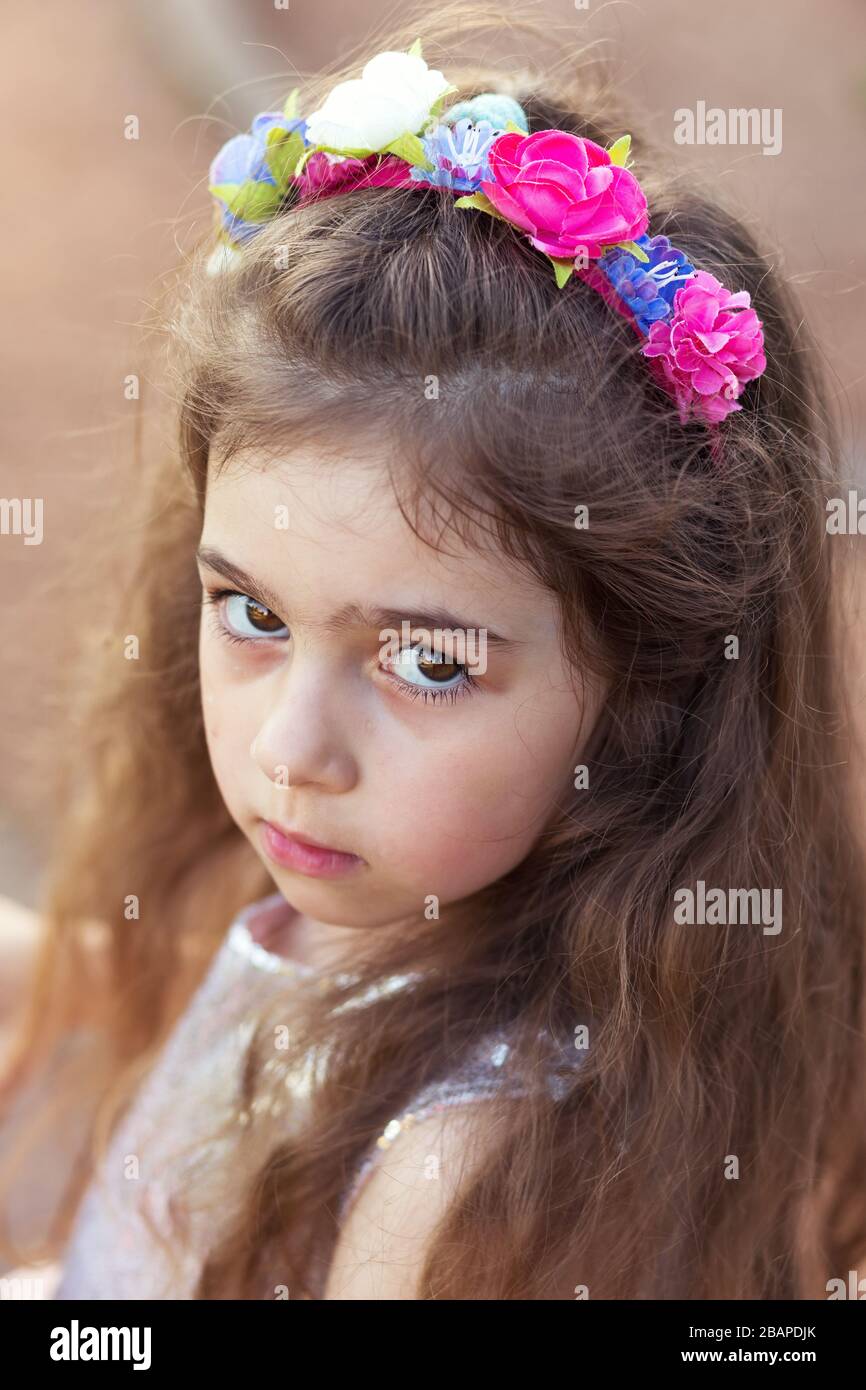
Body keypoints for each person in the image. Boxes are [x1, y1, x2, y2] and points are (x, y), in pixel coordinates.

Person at [2, 4, 866, 1300]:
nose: (292, 752)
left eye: (429, 665)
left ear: (644, 690)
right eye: (251, 613)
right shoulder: (360, 911)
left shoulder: (459, 1180)